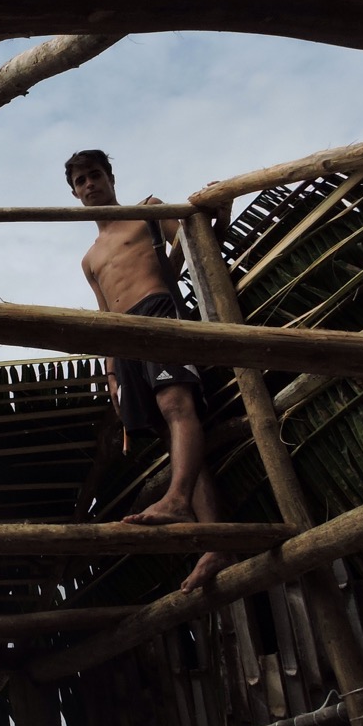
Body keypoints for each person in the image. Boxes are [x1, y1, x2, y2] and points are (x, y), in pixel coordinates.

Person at [68, 148, 230, 591]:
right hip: (122, 338)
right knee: (168, 432)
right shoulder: (89, 259)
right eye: (81, 181)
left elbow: (201, 247)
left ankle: (177, 499)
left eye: (95, 175)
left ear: (110, 177)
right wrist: (111, 375)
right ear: (75, 193)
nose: (89, 185)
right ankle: (213, 544)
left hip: (157, 311)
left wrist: (221, 213)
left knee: (178, 406)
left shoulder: (149, 212)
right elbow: (104, 315)